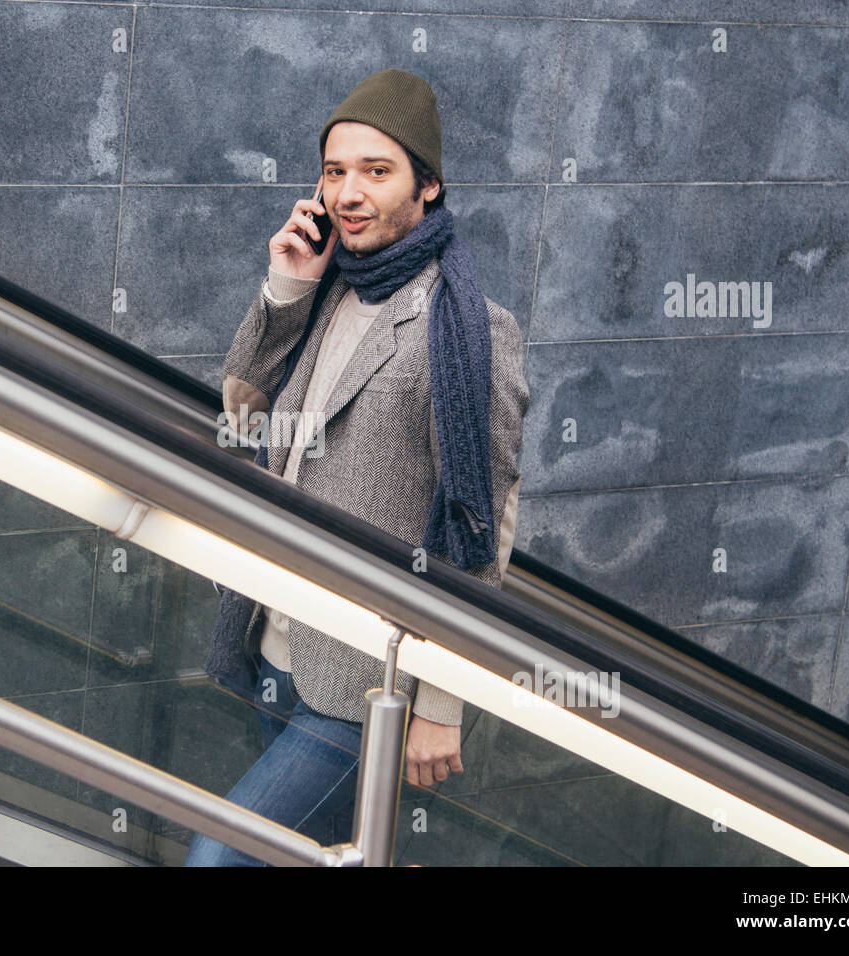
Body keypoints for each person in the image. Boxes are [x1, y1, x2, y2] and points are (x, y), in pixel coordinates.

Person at [187, 68, 530, 866]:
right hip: (275, 641)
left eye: (378, 172)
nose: (349, 192)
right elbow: (239, 419)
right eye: (335, 171)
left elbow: (486, 526)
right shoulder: (329, 290)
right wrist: (285, 290)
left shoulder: (473, 329)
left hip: (366, 686)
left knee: (220, 855)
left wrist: (443, 703)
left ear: (429, 187)